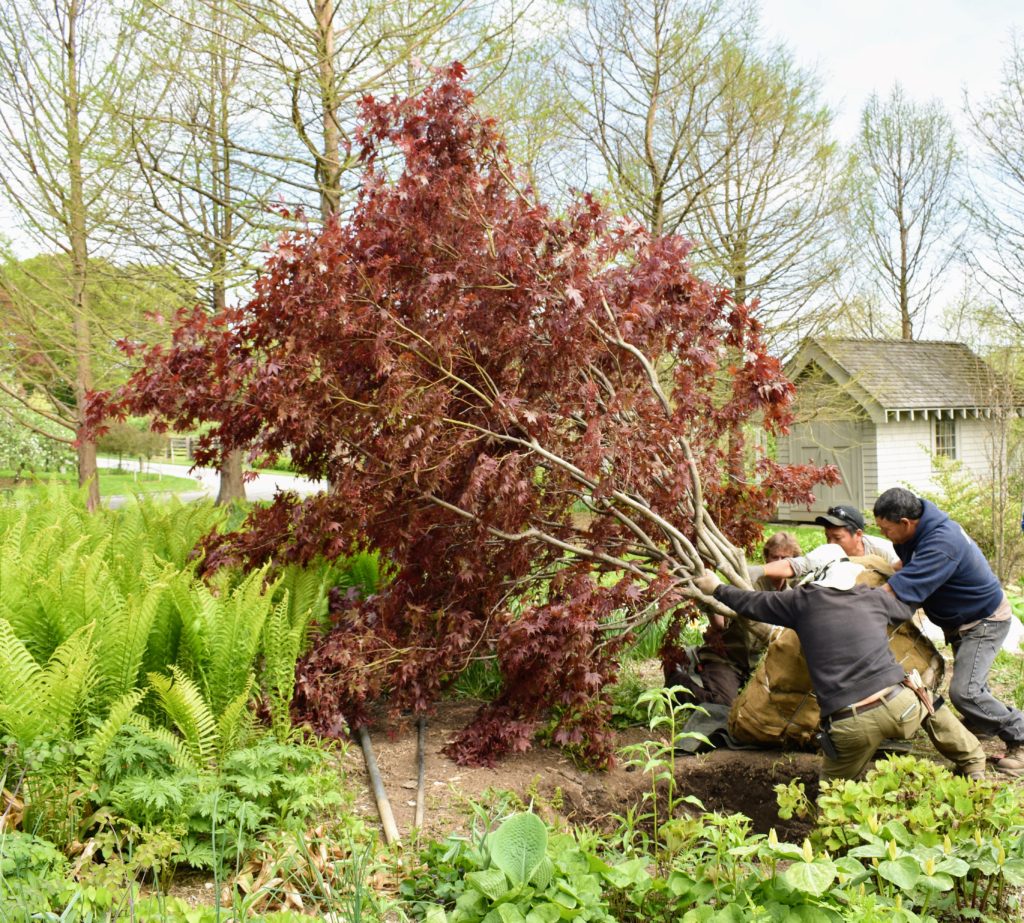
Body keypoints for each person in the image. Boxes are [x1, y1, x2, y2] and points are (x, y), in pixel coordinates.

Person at [694, 543, 987, 781]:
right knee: (928, 701)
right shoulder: (873, 597)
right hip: (901, 707)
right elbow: (906, 605)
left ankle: (828, 828)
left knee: (832, 795)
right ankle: (973, 764)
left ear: (816, 576)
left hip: (851, 725)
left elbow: (750, 603)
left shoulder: (802, 601)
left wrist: (715, 587)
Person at [873, 486, 1024, 775]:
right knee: (973, 685)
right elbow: (908, 566)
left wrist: (853, 604)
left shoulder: (941, 542)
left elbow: (900, 588)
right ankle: (982, 723)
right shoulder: (918, 531)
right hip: (963, 618)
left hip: (985, 619)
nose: (883, 534)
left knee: (965, 692)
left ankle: (1020, 735)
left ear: (905, 522)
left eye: (886, 529)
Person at [665, 532, 801, 706]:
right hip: (727, 660)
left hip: (758, 667)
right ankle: (677, 680)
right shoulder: (746, 584)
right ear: (766, 557)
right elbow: (719, 622)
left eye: (785, 558)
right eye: (775, 557)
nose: (779, 562)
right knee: (722, 704)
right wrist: (706, 601)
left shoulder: (792, 596)